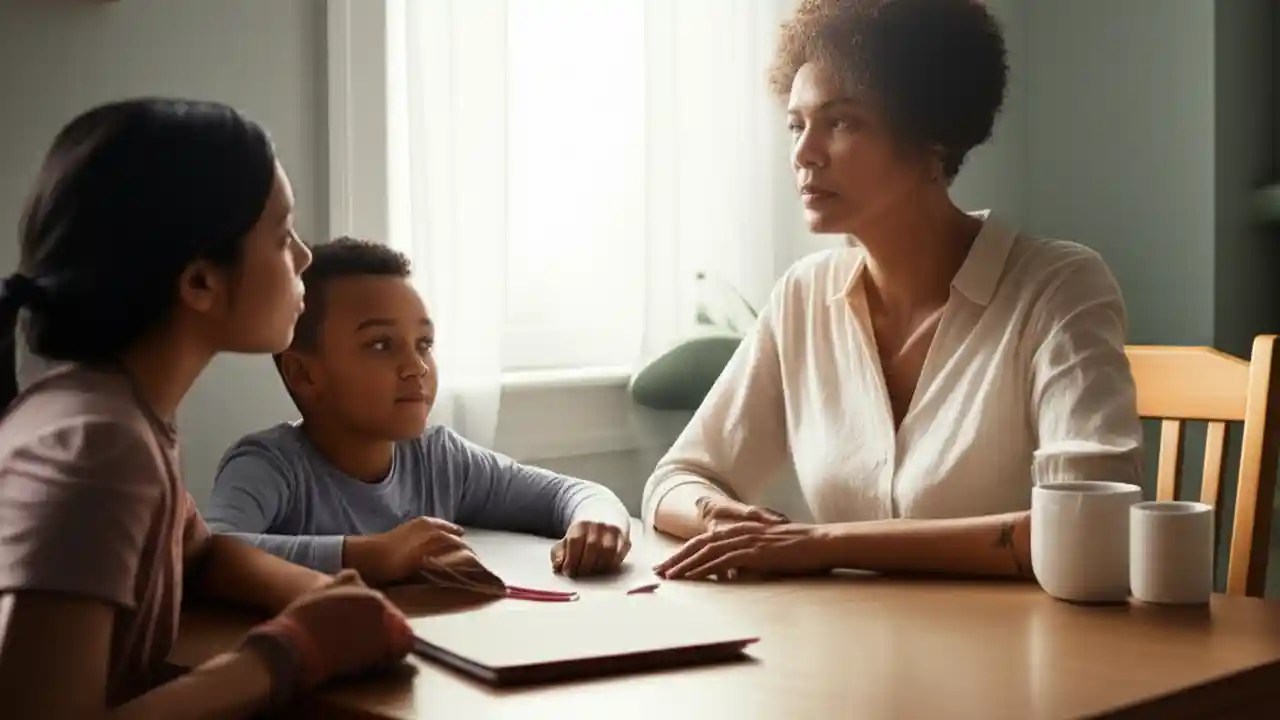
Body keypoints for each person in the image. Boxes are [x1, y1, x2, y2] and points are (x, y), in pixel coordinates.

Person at [647, 0, 1142, 581]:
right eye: (796, 124)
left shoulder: (1058, 288)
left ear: (932, 141)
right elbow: (674, 481)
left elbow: (1089, 521)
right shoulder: (804, 297)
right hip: (853, 649)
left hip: (1022, 656)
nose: (805, 153)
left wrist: (824, 545)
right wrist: (721, 519)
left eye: (841, 122)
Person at [0, 99, 413, 719]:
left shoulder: (110, 412)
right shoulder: (98, 447)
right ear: (199, 283)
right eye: (281, 236)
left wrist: (328, 597)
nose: (303, 257)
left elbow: (198, 553)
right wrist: (290, 651)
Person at [206, 238, 632, 583]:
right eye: (380, 345)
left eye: (424, 344)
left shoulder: (439, 460)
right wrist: (374, 555)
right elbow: (212, 553)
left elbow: (572, 494)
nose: (416, 367)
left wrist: (598, 522)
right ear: (305, 374)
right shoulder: (270, 466)